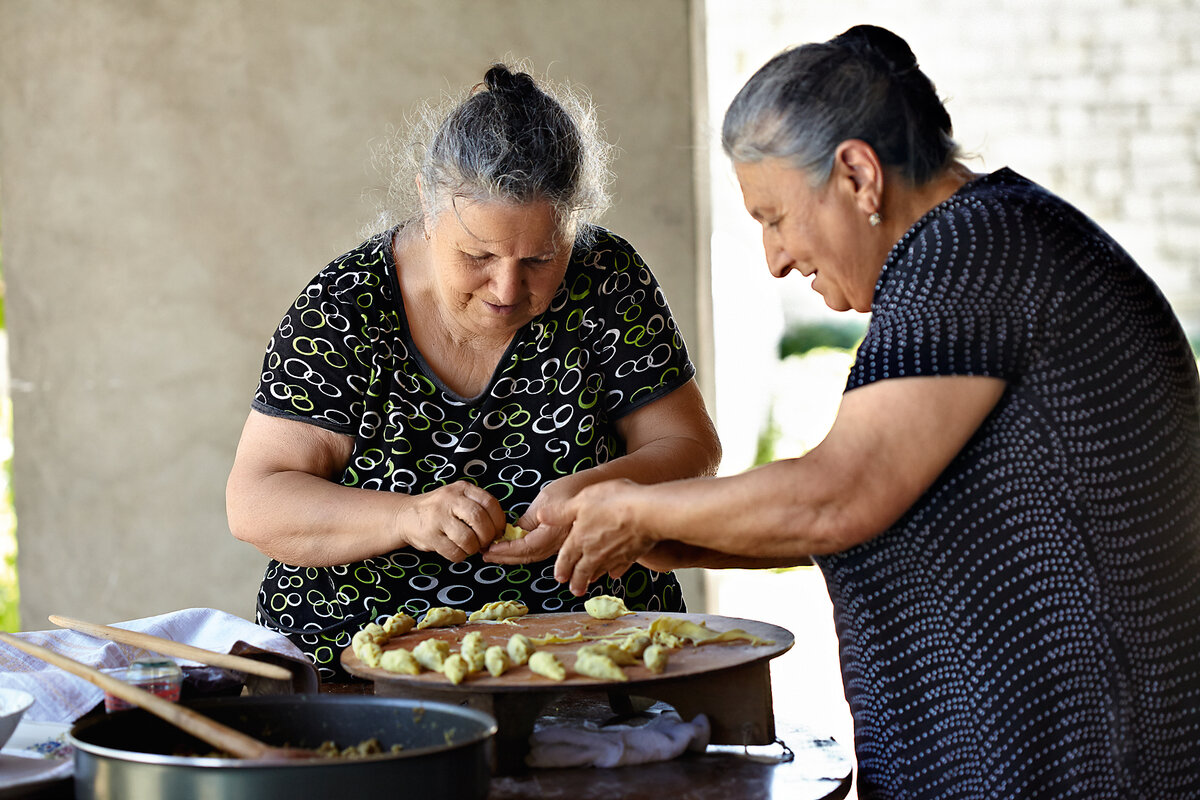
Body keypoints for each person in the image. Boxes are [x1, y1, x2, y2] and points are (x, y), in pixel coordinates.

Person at [546, 25, 1200, 799]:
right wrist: (665, 533)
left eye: (774, 217)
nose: (776, 259)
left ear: (858, 174)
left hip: (1088, 761)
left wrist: (639, 507)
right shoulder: (977, 245)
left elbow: (840, 494)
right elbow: (878, 513)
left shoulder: (973, 247)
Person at [226, 63, 721, 680]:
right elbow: (256, 500)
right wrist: (405, 517)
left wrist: (600, 491)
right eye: (477, 255)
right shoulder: (346, 306)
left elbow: (689, 445)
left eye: (541, 258)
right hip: (366, 665)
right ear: (428, 207)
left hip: (588, 654)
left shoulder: (606, 277)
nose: (508, 288)